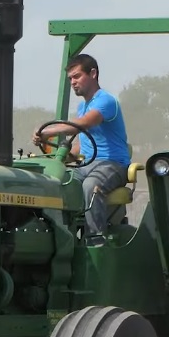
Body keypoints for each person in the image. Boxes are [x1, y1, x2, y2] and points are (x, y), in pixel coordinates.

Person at [32, 53, 130, 247]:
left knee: (91, 186)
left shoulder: (106, 101)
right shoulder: (82, 107)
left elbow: (84, 124)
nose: (73, 82)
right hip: (87, 164)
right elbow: (83, 143)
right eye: (70, 79)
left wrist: (46, 131)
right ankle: (61, 238)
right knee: (60, 184)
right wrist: (64, 156)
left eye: (77, 76)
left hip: (113, 164)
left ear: (93, 73)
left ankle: (96, 241)